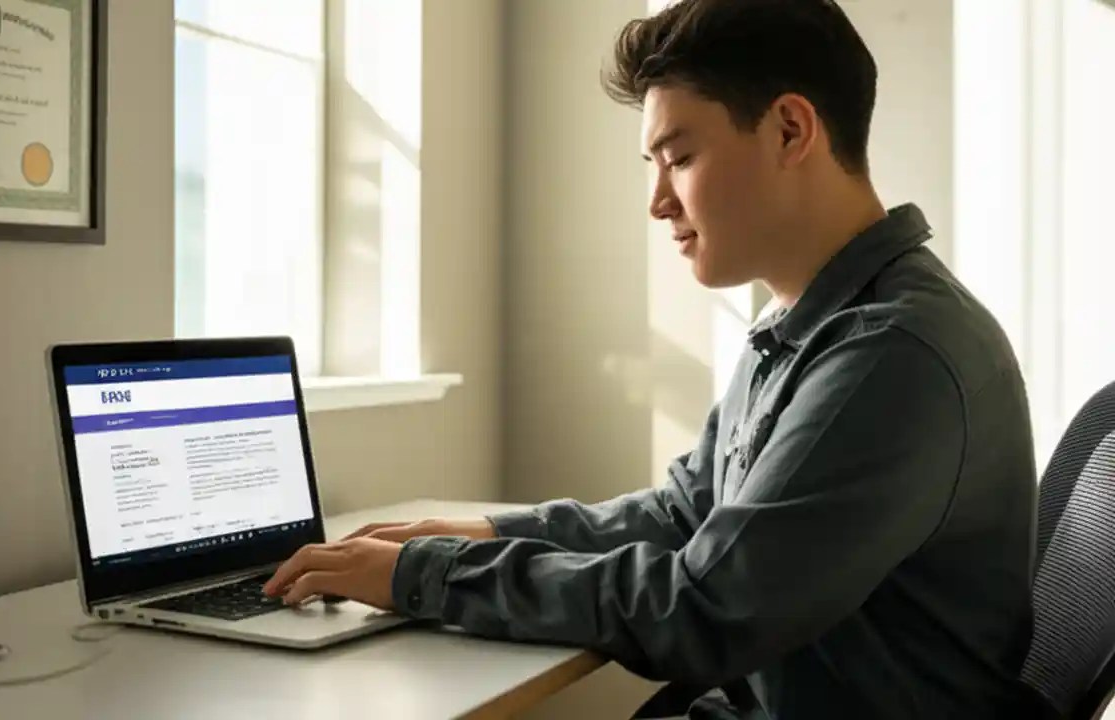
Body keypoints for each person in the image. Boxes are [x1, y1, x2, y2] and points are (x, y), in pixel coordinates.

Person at [264, 0, 1038, 716]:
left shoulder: (889, 355)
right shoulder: (810, 321)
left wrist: (422, 577)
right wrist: (489, 535)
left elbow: (705, 610)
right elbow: (684, 512)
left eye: (681, 157)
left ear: (791, 132)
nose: (658, 201)